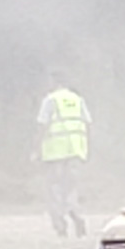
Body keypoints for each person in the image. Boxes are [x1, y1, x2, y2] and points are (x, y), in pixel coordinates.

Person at [36, 83, 91, 238]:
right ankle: (77, 218)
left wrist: (36, 150)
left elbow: (42, 126)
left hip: (54, 155)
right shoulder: (78, 100)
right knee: (71, 189)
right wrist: (85, 150)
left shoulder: (50, 100)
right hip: (75, 152)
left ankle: (61, 228)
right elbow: (87, 124)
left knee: (53, 192)